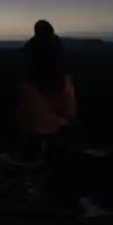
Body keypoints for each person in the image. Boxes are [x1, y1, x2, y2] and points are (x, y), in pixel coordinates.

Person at [16, 20, 77, 163]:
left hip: (42, 132)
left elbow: (23, 118)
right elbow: (70, 114)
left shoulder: (29, 87)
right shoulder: (65, 81)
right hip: (58, 130)